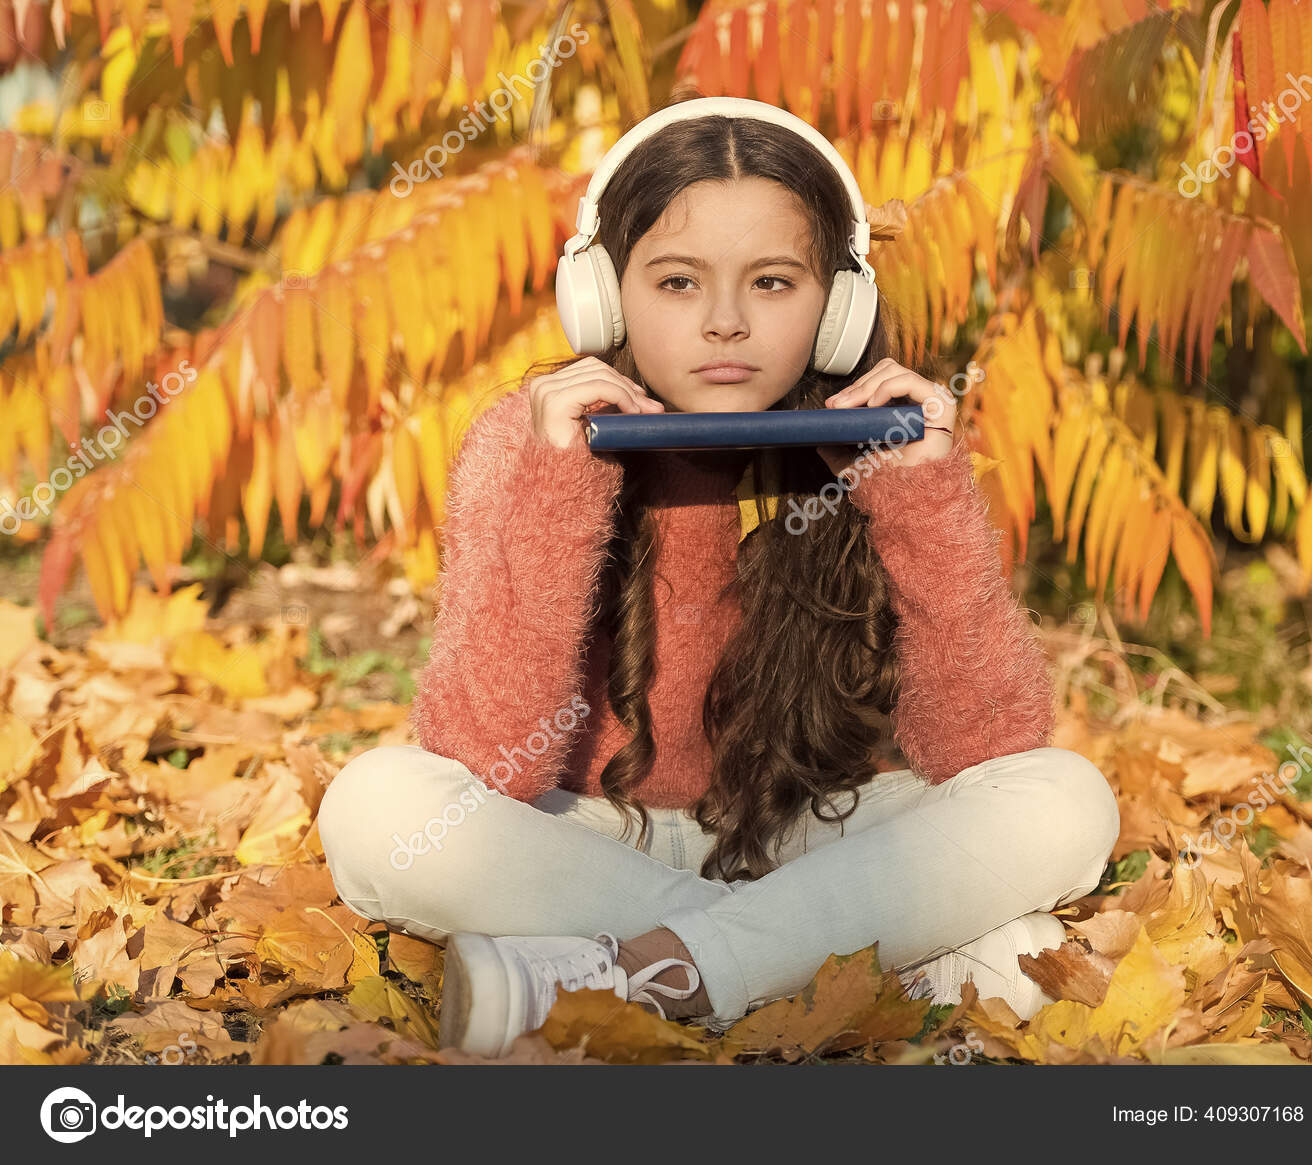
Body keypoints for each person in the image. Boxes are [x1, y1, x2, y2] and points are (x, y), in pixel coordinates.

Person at [316, 95, 1120, 1058]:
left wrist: (923, 498)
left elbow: (982, 747)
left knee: (1068, 798)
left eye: (774, 283)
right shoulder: (529, 436)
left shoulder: (882, 441)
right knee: (376, 807)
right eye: (678, 282)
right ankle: (859, 961)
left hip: (813, 830)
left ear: (839, 308)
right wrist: (561, 485)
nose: (726, 323)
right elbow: (491, 760)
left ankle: (640, 976)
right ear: (605, 297)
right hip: (595, 838)